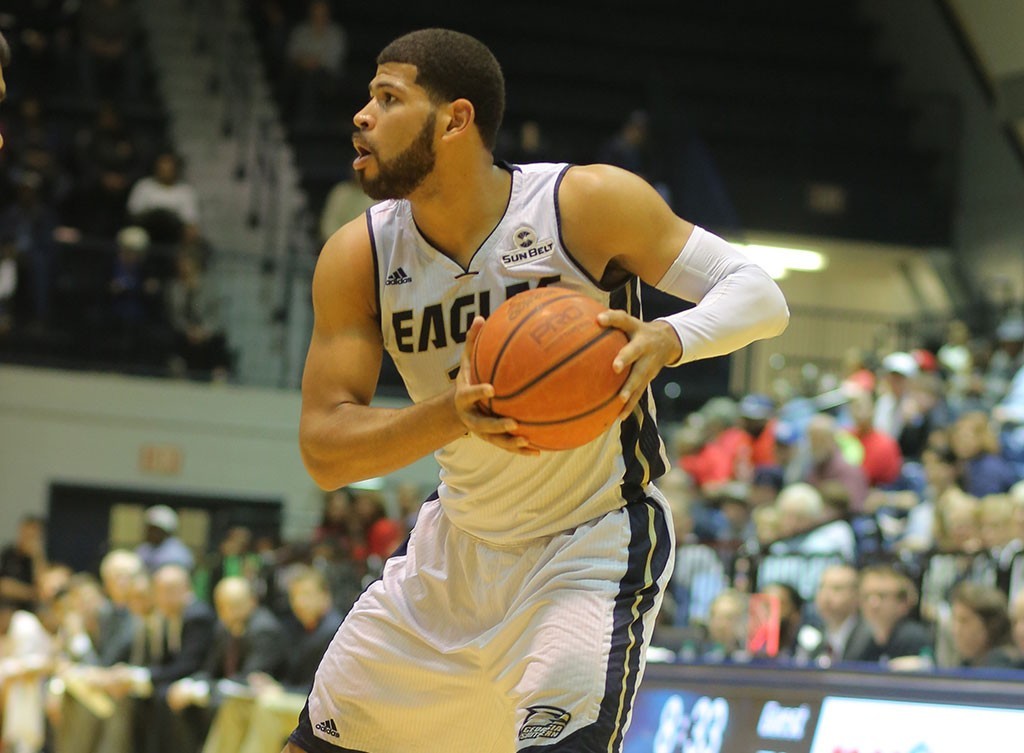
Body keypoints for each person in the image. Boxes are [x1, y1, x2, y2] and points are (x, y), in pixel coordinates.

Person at [291, 28, 788, 753]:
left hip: (587, 543)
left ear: (455, 120)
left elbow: (758, 292)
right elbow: (324, 452)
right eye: (368, 97)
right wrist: (448, 413)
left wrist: (671, 337)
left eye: (388, 98)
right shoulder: (358, 255)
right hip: (454, 551)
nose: (362, 116)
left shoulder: (581, 203)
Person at [136, 505, 195, 572]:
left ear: (167, 532)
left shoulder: (178, 554)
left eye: (155, 530)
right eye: (149, 529)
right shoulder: (144, 549)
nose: (150, 533)